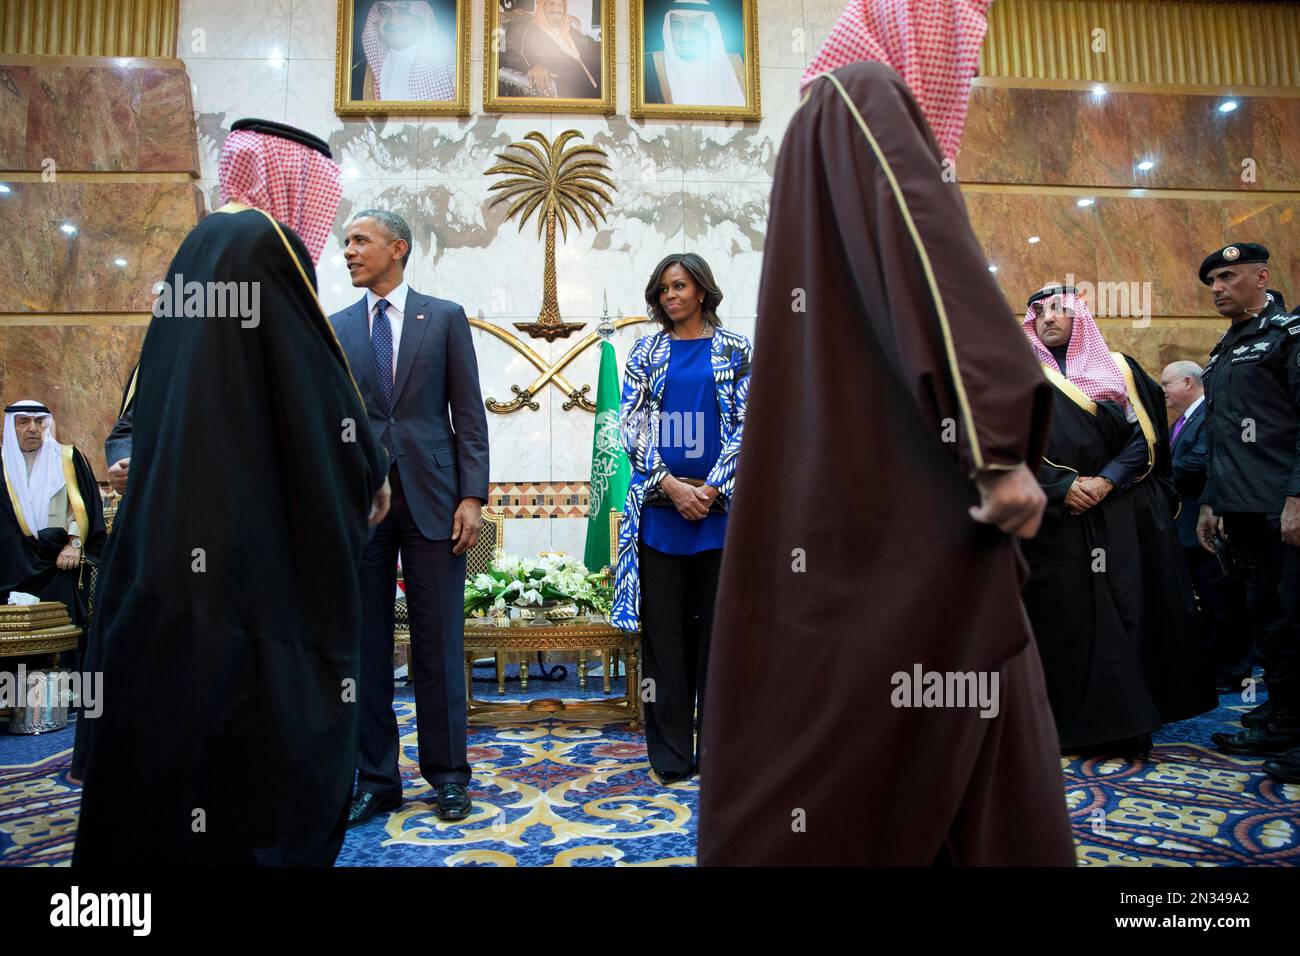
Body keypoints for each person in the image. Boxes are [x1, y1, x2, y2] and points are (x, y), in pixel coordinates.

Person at [695, 0, 1076, 866]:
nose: (966, 84)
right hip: (919, 499)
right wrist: (996, 444)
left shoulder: (812, 127)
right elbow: (929, 266)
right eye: (962, 58)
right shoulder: (862, 96)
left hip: (864, 492)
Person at [72, 119, 391, 866]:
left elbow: (168, 395)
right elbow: (314, 387)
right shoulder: (262, 243)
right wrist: (367, 469)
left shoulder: (196, 247)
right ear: (293, 180)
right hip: (246, 557)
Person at [330, 209, 490, 827]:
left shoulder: (443, 317)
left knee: (440, 646)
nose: (349, 251)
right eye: (346, 242)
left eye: (360, 241)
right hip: (363, 510)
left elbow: (468, 415)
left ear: (398, 248)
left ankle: (449, 775)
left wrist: (471, 495)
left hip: (435, 503)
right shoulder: (338, 327)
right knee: (366, 648)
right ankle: (376, 778)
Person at [1019, 286, 1215, 756]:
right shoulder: (1015, 375)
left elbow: (1145, 437)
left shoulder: (1119, 367)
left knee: (1130, 609)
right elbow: (1002, 445)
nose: (1049, 319)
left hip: (1122, 511)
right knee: (1068, 618)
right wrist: (1064, 487)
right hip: (1057, 520)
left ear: (1079, 315)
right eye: (1039, 313)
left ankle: (1130, 723)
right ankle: (1069, 723)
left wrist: (1105, 480)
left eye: (1059, 310)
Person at [611, 253, 750, 784]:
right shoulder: (645, 351)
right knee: (665, 643)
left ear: (702, 291)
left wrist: (711, 487)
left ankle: (719, 753)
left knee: (719, 641)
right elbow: (633, 426)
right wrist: (670, 484)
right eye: (663, 288)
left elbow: (746, 423)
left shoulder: (735, 349)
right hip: (661, 518)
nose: (670, 296)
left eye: (680, 286)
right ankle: (670, 755)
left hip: (719, 518)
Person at [1194, 243, 1300, 782]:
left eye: (1228, 276)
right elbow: (1221, 436)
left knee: (1296, 617)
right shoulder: (1225, 347)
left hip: (1282, 508)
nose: (1216, 287)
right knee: (1271, 622)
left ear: (1262, 276)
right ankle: (1284, 718)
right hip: (1240, 509)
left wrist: (1298, 497)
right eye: (1211, 280)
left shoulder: (1289, 333)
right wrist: (1212, 501)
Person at [1161, 360, 1253, 693]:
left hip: (1208, 524)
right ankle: (1217, 666)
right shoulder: (1183, 422)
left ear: (1187, 382)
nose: (1164, 391)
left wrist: (1156, 474)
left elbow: (1199, 463)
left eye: (1166, 384)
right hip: (1184, 528)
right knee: (1206, 603)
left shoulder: (1210, 415)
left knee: (1223, 601)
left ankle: (1235, 672)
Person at [0, 400, 105, 630]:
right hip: (10, 566)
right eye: (24, 422)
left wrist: (74, 544)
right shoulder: (3, 466)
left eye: (40, 421)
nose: (33, 428)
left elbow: (85, 509)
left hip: (59, 562)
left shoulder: (67, 459)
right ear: (10, 426)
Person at [645, 0, 745, 107]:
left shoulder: (734, 67)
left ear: (709, 30)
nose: (685, 37)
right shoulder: (649, 67)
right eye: (677, 26)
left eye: (695, 27)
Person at [502, 0, 601, 98]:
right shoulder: (525, 28)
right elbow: (508, 53)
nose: (557, 9)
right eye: (551, 4)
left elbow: (590, 45)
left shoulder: (568, 29)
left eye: (560, 5)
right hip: (562, 87)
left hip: (588, 83)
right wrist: (531, 69)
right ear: (542, 6)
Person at [359, 1, 455, 102]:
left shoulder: (451, 60)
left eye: (403, 12)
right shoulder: (365, 71)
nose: (393, 20)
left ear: (423, 18)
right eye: (384, 12)